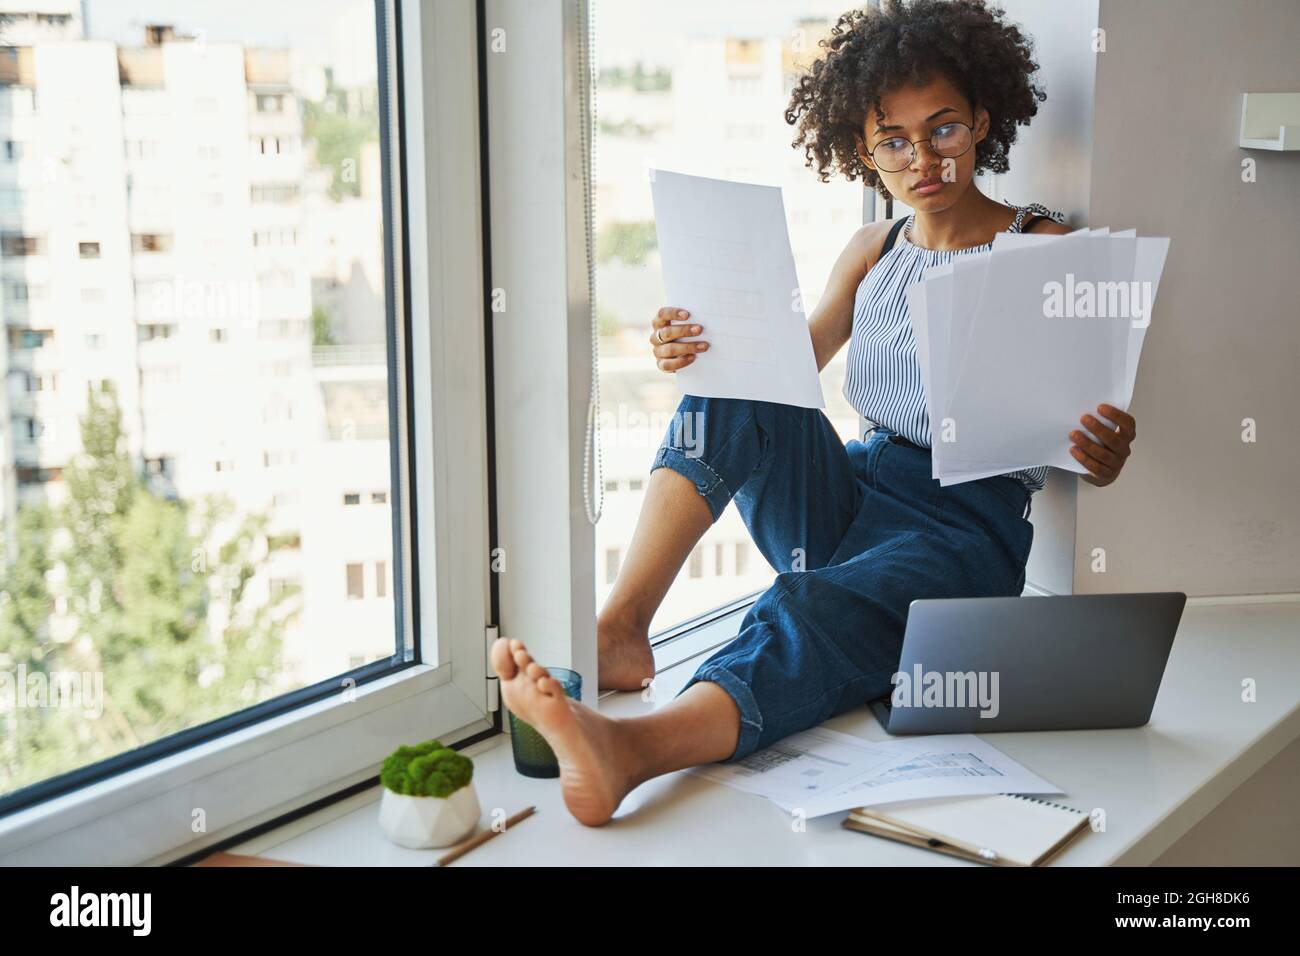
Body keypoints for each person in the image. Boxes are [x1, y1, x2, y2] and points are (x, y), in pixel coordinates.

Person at [492, 0, 1137, 827]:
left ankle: (634, 750)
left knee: (807, 607)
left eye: (942, 130)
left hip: (960, 531)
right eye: (893, 142)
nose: (923, 159)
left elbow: (1092, 437)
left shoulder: (1045, 248)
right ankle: (622, 628)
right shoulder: (872, 253)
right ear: (864, 154)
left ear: (982, 120)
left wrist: (1107, 448)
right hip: (853, 496)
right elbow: (776, 377)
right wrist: (689, 348)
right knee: (741, 385)